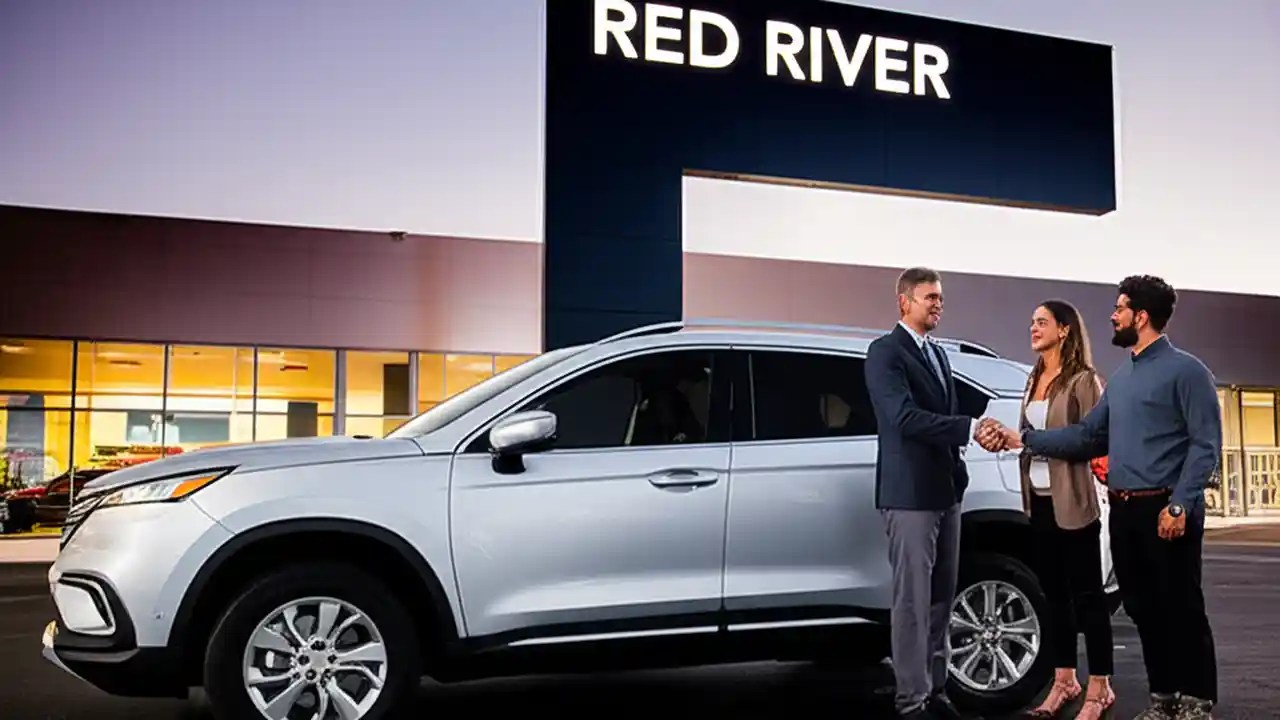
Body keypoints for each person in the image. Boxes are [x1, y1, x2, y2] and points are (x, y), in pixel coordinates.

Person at [977, 276, 1220, 720]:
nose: (1113, 315)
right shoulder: (1124, 377)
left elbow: (1206, 446)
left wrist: (1181, 504)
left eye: (1120, 308)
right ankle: (1163, 700)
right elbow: (1088, 436)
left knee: (1181, 607)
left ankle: (1198, 702)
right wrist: (1025, 440)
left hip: (1166, 508)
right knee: (1143, 609)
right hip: (1125, 510)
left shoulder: (1188, 371)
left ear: (1141, 317)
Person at [864, 267, 986, 720]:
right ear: (904, 302)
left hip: (945, 492)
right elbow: (903, 419)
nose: (938, 304)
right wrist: (970, 429)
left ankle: (936, 691)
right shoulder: (885, 353)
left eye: (940, 298)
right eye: (929, 297)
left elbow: (942, 415)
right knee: (912, 603)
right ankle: (911, 701)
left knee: (940, 599)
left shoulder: (937, 354)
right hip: (909, 495)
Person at [1011, 300, 1116, 719]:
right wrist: (1010, 440)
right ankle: (1064, 681)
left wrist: (1030, 442)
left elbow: (1094, 439)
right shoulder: (1034, 377)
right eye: (1032, 321)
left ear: (1065, 329)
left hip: (1074, 501)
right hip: (1038, 500)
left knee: (1089, 598)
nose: (1033, 328)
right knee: (1054, 597)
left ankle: (1100, 689)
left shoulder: (1084, 381)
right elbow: (1029, 434)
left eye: (1042, 322)